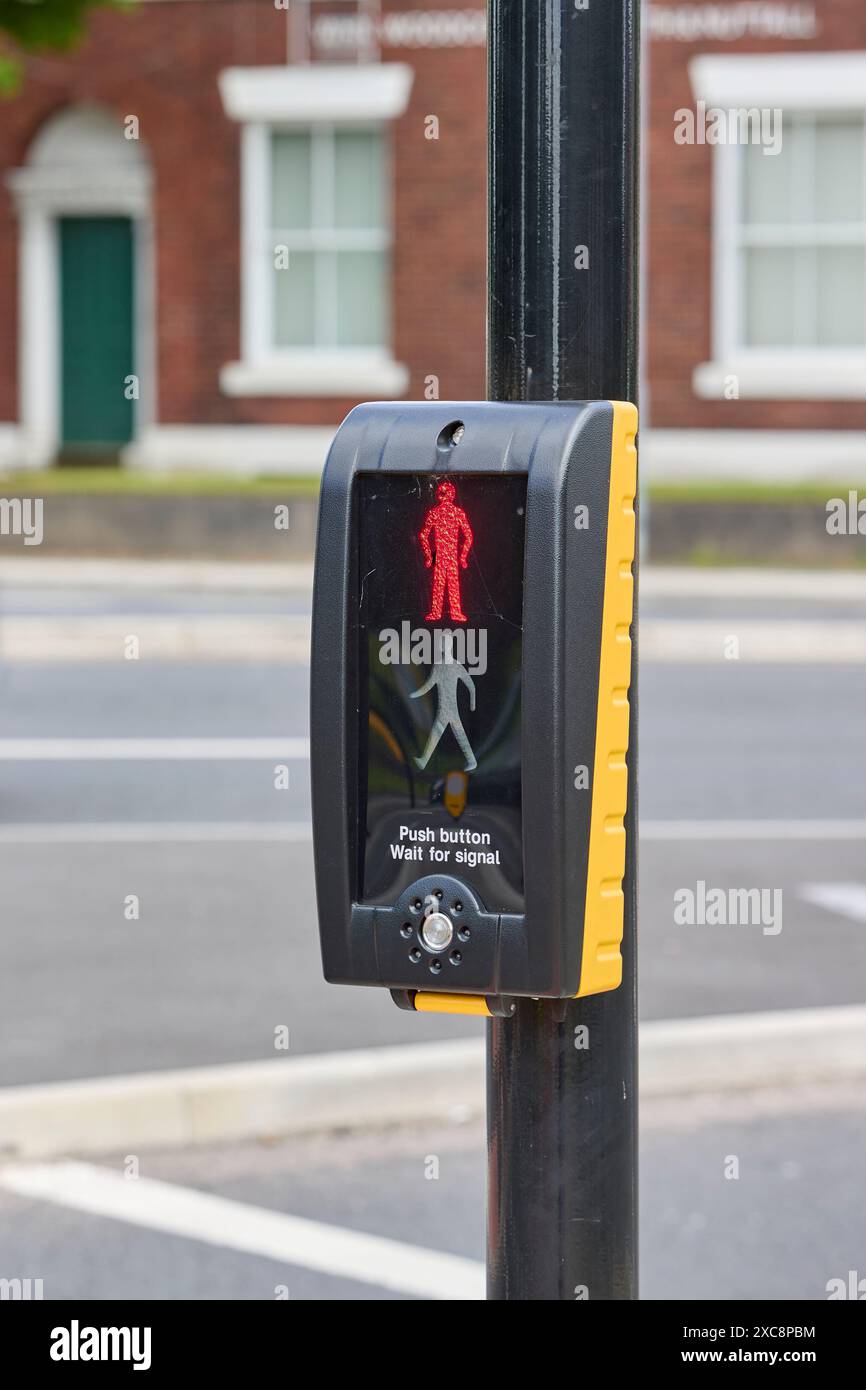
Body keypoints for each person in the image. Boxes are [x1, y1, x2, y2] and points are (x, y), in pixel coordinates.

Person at [411, 633, 477, 772]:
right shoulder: (438, 666)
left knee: (456, 734)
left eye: (446, 642)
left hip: (451, 710)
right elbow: (428, 685)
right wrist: (416, 693)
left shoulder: (456, 665)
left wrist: (472, 703)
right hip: (443, 710)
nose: (443, 645)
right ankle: (424, 761)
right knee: (439, 734)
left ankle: (471, 761)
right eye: (442, 643)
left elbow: (471, 685)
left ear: (450, 645)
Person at [419, 480, 473, 623]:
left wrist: (428, 556)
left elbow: (424, 535)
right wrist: (463, 557)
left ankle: (438, 613)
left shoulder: (435, 513)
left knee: (440, 584)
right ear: (453, 495)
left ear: (439, 495)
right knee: (450, 584)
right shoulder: (457, 513)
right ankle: (452, 613)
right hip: (450, 555)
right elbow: (468, 536)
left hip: (442, 555)